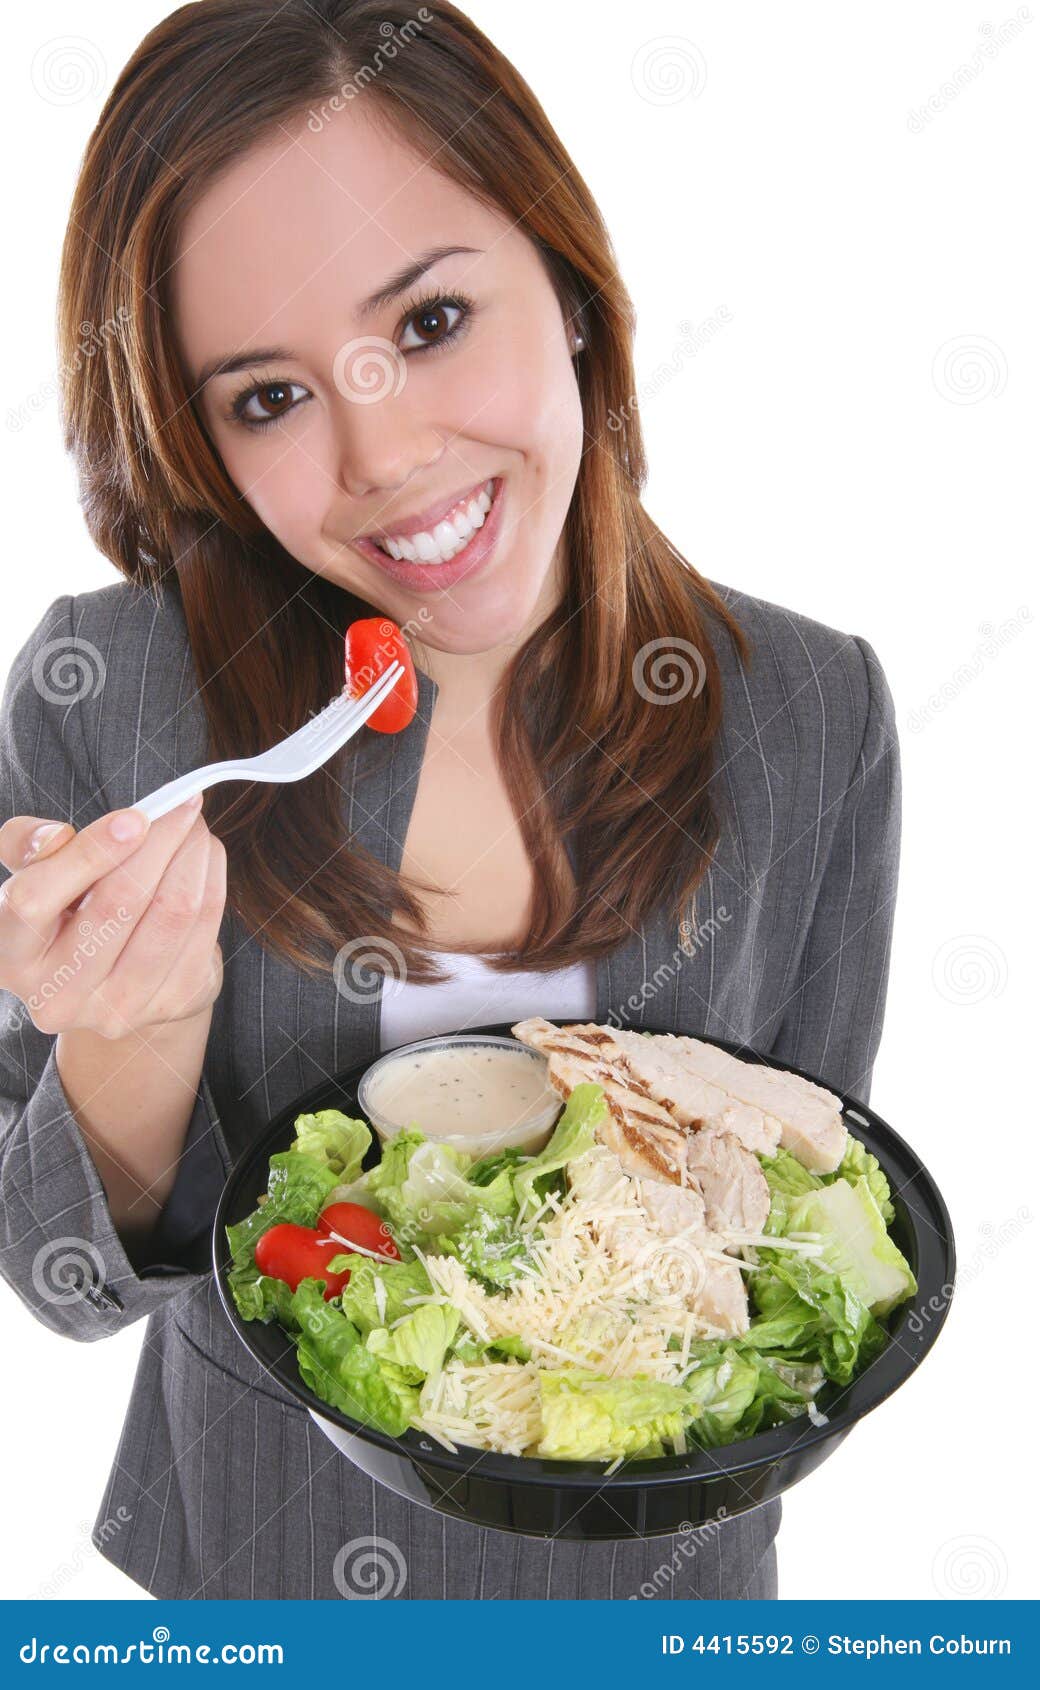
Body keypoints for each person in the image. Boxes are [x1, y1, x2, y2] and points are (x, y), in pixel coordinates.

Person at [0, 0, 899, 1600]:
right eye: (268, 396)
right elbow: (64, 1288)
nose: (386, 456)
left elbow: (807, 1204)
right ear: (204, 441)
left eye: (427, 322)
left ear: (566, 280)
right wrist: (127, 1032)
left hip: (664, 1599)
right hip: (253, 1573)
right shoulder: (115, 697)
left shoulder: (813, 716)